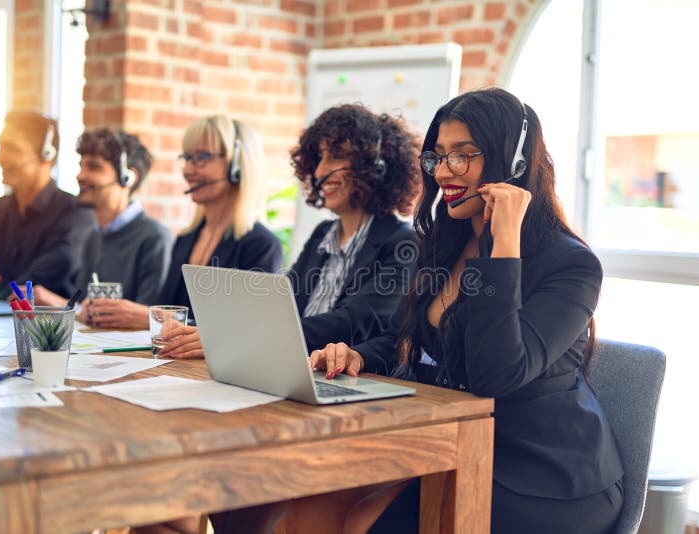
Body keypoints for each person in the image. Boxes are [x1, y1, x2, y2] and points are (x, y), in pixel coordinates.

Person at [290, 88, 625, 533]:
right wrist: (359, 356)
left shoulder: (572, 265)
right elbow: (403, 336)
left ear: (515, 163)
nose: (445, 171)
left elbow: (495, 375)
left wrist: (502, 247)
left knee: (361, 525)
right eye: (439, 157)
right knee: (310, 513)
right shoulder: (444, 243)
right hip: (453, 442)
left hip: (545, 472)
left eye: (464, 156)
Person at [157, 103, 421, 361]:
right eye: (319, 158)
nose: (319, 171)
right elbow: (280, 309)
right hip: (294, 369)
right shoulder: (323, 234)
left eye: (336, 156)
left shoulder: (401, 242)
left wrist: (235, 337)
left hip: (351, 381)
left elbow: (355, 321)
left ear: (377, 167)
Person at [83, 115, 282, 330]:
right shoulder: (186, 240)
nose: (187, 170)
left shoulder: (260, 245)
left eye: (201, 157)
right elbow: (170, 310)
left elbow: (250, 331)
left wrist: (152, 318)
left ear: (237, 166)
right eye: (186, 158)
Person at [0, 110, 94, 300]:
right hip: (8, 321)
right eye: (0, 146)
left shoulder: (76, 214)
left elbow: (32, 284)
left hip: (53, 328)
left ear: (46, 154)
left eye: (11, 148)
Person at [32, 128, 171, 307]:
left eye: (94, 167)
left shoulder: (155, 238)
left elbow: (152, 318)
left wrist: (59, 303)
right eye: (81, 166)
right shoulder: (94, 237)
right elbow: (87, 310)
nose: (80, 175)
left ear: (127, 178)